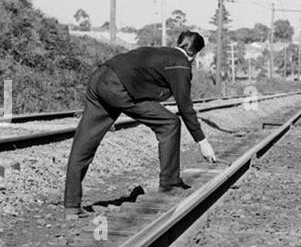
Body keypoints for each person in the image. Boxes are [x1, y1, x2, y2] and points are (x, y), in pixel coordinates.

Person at [63, 30, 218, 217]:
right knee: (170, 123)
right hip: (119, 87)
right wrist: (202, 141)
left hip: (99, 77)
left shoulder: (162, 53)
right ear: (195, 53)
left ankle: (72, 204)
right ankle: (169, 184)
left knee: (85, 140)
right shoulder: (181, 64)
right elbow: (185, 107)